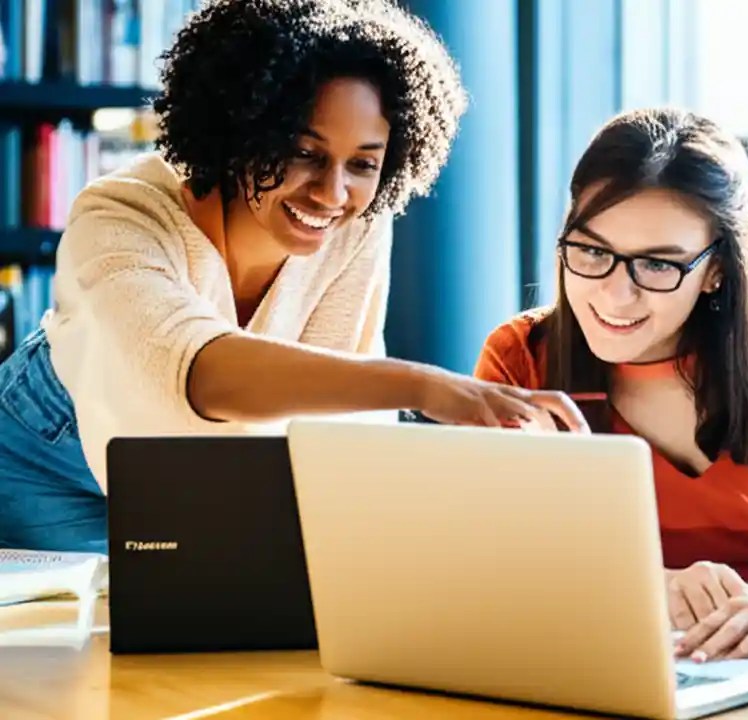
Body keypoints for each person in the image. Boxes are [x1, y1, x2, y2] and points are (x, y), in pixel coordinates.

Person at [0, 0, 584, 554]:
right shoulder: (120, 214)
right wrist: (426, 386)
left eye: (362, 164)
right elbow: (199, 372)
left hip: (208, 471)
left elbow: (336, 412)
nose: (333, 194)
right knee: (80, 647)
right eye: (304, 152)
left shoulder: (355, 228)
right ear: (241, 131)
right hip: (49, 454)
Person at [474, 108, 748, 660]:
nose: (615, 294)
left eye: (658, 266)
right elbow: (500, 565)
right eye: (591, 251)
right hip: (616, 660)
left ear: (718, 270)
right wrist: (657, 585)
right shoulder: (521, 359)